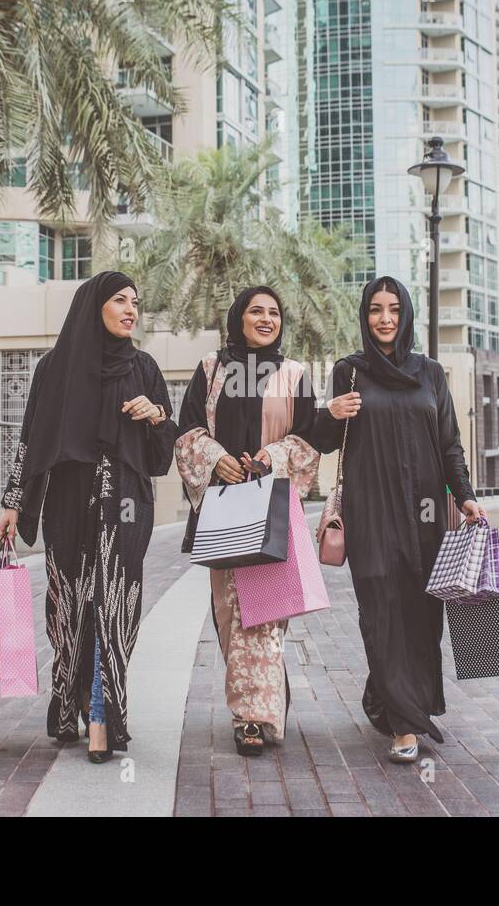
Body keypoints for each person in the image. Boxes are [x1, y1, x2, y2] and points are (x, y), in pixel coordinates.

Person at [303, 276, 486, 764]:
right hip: (370, 512)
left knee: (422, 616)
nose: (384, 318)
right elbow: (321, 439)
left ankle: (385, 696)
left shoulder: (430, 373)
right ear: (364, 317)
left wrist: (465, 497)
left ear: (405, 316)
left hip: (427, 514)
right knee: (382, 611)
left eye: (393, 310)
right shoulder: (350, 372)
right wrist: (332, 412)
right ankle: (406, 726)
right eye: (375, 310)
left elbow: (449, 443)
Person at [0, 271, 177, 763]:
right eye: (120, 299)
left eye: (135, 302)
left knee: (112, 607)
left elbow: (164, 454)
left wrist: (156, 416)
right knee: (69, 611)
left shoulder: (143, 368)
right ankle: (71, 701)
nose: (130, 309)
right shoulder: (55, 368)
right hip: (68, 501)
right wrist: (13, 500)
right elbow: (31, 440)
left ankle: (102, 714)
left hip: (126, 500)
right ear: (93, 304)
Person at [174, 287, 320, 755]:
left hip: (273, 504)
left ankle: (253, 717)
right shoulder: (211, 370)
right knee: (230, 614)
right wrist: (216, 459)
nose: (265, 318)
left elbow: (311, 438)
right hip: (224, 509)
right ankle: (260, 699)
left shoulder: (295, 374)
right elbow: (187, 432)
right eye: (256, 310)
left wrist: (271, 457)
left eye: (274, 312)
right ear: (238, 318)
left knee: (267, 613)